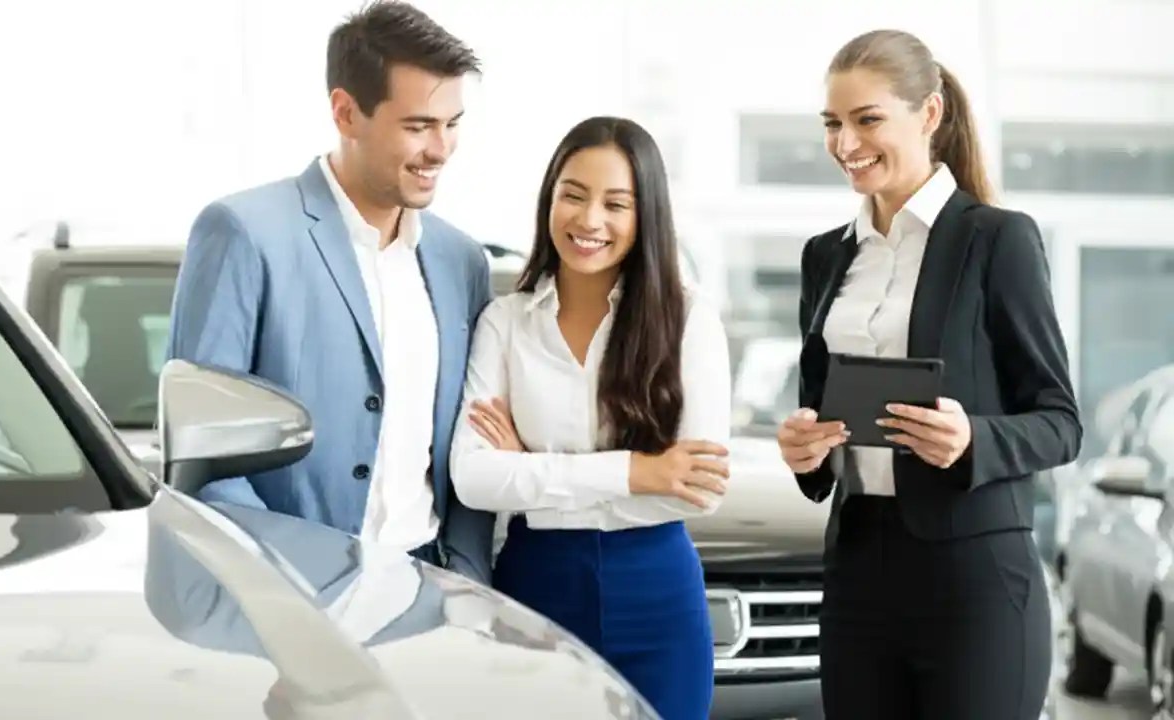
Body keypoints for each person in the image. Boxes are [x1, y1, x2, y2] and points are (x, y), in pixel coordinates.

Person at [775, 29, 1081, 719]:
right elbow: (819, 414)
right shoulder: (825, 257)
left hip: (974, 575)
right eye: (833, 123)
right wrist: (805, 451)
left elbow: (1061, 422)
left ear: (931, 115)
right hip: (857, 570)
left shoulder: (997, 240)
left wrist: (971, 437)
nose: (845, 143)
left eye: (867, 120)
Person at [166, 0, 496, 583]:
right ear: (346, 112)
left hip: (435, 586)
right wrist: (288, 579)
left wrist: (467, 576)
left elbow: (463, 445)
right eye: (418, 126)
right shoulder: (244, 233)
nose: (441, 149)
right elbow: (204, 454)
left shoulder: (460, 261)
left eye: (453, 123)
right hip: (291, 583)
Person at [450, 115, 732, 720]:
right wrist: (638, 471)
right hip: (534, 588)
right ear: (549, 198)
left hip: (657, 594)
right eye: (573, 195)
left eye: (616, 204)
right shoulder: (505, 321)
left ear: (645, 215)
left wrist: (530, 470)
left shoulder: (688, 320)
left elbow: (699, 489)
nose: (589, 220)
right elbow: (473, 479)